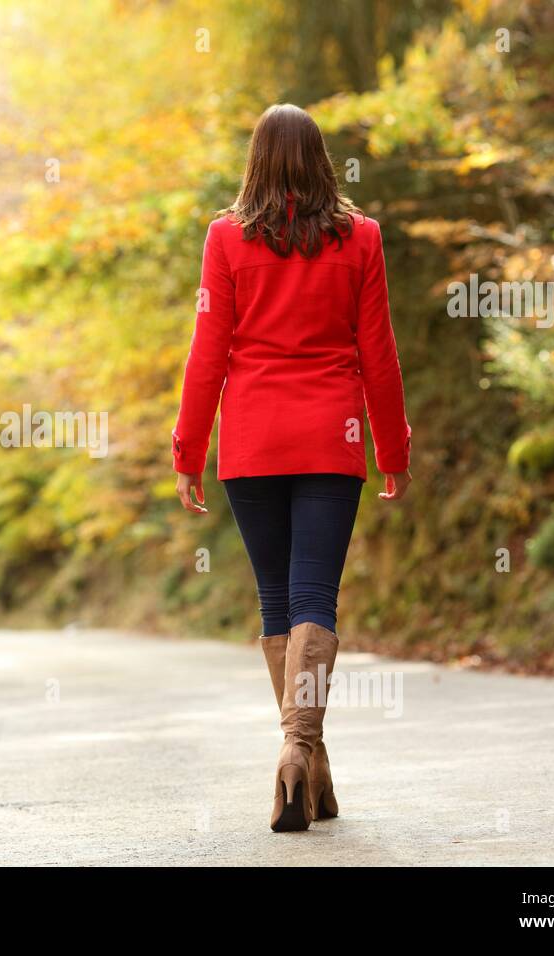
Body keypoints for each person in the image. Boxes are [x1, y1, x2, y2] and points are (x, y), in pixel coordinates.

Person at [172, 104, 412, 832]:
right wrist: (390, 447)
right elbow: (379, 351)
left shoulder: (225, 239)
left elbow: (208, 350)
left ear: (255, 162)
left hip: (252, 443)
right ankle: (299, 754)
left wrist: (188, 450)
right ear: (321, 161)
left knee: (277, 602)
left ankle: (299, 763)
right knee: (314, 599)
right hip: (329, 440)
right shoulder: (360, 238)